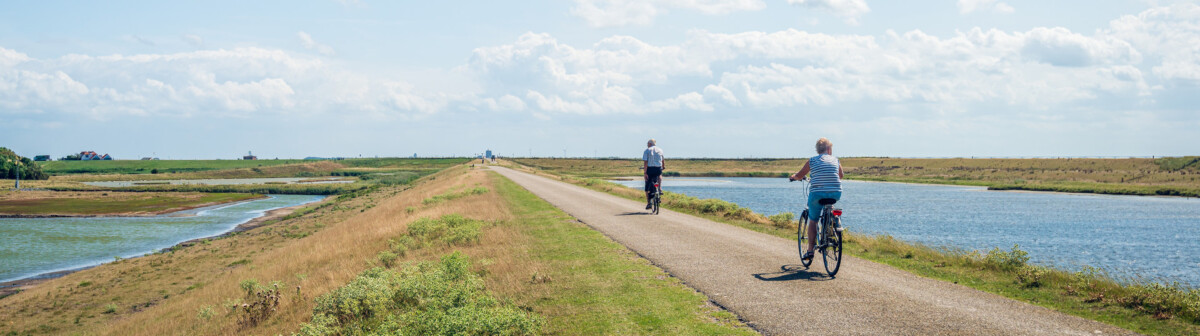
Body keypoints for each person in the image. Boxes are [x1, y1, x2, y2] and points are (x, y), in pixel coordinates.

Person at [789, 138, 844, 261]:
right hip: (836, 193)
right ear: (829, 149)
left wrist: (793, 177)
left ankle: (810, 251)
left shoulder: (812, 160)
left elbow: (800, 175)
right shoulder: (836, 160)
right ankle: (832, 223)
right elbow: (841, 176)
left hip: (817, 193)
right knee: (830, 203)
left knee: (813, 220)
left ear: (818, 150)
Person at [642, 139, 665, 210]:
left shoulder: (647, 151)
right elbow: (662, 160)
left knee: (647, 185)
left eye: (647, 144)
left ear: (649, 144)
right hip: (658, 168)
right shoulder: (660, 150)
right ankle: (660, 188)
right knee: (659, 175)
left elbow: (645, 162)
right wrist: (663, 166)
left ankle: (649, 203)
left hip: (650, 169)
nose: (647, 145)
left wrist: (645, 173)